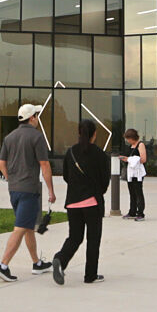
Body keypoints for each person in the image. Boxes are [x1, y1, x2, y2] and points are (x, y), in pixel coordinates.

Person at [0, 104, 56, 280]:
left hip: (14, 190)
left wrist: (11, 179)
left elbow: (1, 164)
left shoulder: (9, 137)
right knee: (20, 228)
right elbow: (45, 165)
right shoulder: (37, 137)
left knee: (28, 227)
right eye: (37, 115)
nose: (38, 118)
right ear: (32, 118)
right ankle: (3, 265)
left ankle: (37, 263)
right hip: (29, 189)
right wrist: (51, 190)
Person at [50, 119, 107, 284]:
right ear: (94, 134)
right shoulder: (100, 155)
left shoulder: (71, 153)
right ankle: (90, 275)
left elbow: (66, 176)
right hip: (92, 203)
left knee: (74, 237)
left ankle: (60, 259)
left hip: (73, 202)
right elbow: (104, 181)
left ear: (79, 133)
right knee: (93, 239)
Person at [121, 127, 148, 220]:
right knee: (132, 192)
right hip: (131, 172)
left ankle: (140, 213)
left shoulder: (140, 145)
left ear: (133, 137)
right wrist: (125, 158)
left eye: (129, 139)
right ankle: (132, 211)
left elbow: (143, 159)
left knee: (138, 192)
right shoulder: (130, 146)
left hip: (138, 172)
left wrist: (130, 159)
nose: (128, 141)